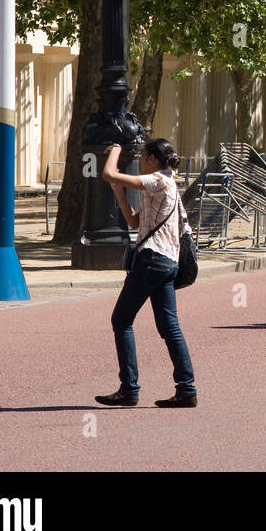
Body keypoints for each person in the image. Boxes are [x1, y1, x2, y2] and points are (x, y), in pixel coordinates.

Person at [95, 139, 196, 408]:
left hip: (151, 260)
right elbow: (135, 221)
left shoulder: (159, 179)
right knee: (169, 327)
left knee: (121, 320)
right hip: (165, 262)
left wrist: (115, 149)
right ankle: (186, 389)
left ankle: (129, 388)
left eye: (142, 155)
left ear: (152, 158)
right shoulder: (166, 184)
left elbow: (107, 173)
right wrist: (119, 191)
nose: (139, 158)